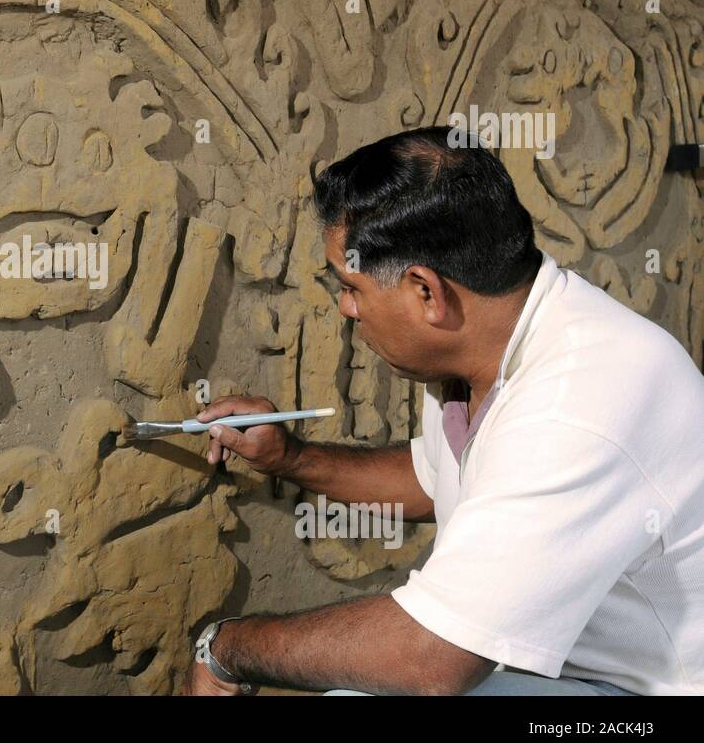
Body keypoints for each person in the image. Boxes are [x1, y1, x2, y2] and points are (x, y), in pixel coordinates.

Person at [183, 126, 704, 696]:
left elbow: (430, 663)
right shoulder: (487, 348)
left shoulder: (579, 403)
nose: (345, 307)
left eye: (352, 286)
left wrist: (228, 648)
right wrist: (291, 457)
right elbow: (438, 481)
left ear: (426, 292)